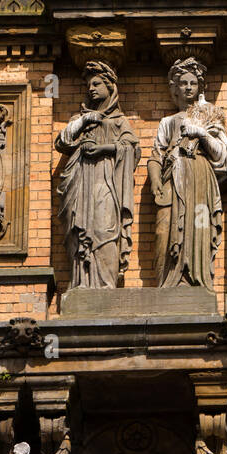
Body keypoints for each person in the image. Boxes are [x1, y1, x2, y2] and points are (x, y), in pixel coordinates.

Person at [148, 58, 227, 288]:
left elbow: (223, 157)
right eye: (183, 83)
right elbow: (155, 155)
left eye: (193, 83)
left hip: (199, 178)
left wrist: (202, 133)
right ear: (175, 88)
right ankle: (167, 281)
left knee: (199, 225)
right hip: (172, 180)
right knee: (163, 228)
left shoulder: (211, 117)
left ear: (200, 87)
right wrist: (155, 179)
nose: (188, 88)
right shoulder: (168, 122)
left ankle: (195, 279)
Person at [55, 61, 138, 289]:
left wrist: (105, 149)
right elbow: (62, 142)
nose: (91, 88)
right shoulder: (82, 119)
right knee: (80, 231)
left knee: (105, 229)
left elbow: (133, 150)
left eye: (97, 84)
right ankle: (81, 283)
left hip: (107, 182)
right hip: (82, 183)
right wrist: (83, 121)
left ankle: (105, 285)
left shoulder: (120, 122)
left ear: (110, 87)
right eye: (88, 85)